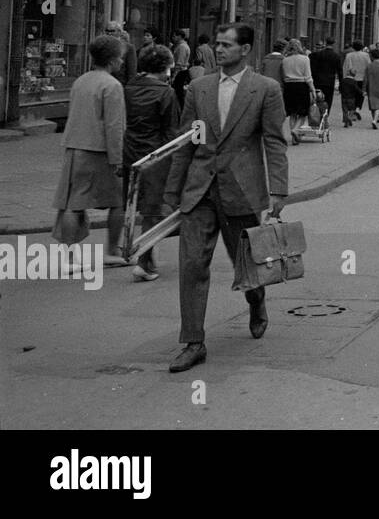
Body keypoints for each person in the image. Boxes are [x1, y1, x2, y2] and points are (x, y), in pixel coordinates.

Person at [162, 23, 289, 373]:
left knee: (246, 266)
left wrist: (278, 189)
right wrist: (173, 192)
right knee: (191, 265)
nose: (219, 50)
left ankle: (256, 300)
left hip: (242, 191)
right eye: (217, 44)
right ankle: (193, 342)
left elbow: (275, 141)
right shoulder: (199, 89)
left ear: (245, 49)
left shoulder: (265, 89)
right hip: (200, 190)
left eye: (227, 45)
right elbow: (185, 142)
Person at [51, 35, 130, 268]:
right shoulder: (112, 85)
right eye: (121, 58)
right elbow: (114, 126)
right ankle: (112, 251)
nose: (123, 63)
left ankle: (68, 257)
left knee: (72, 203)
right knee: (117, 202)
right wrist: (117, 158)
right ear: (113, 60)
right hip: (100, 150)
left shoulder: (81, 80)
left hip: (75, 146)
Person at [122, 43, 182, 281]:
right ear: (165, 68)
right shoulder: (165, 93)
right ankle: (145, 262)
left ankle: (143, 257)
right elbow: (171, 131)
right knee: (152, 210)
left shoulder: (128, 88)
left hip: (130, 153)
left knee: (135, 207)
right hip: (155, 156)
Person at [281, 39, 315, 144]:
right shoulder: (305, 59)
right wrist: (312, 89)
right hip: (301, 86)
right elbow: (308, 76)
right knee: (303, 113)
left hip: (288, 87)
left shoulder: (285, 60)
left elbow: (283, 75)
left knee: (292, 113)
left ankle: (294, 136)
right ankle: (296, 130)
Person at [309, 37, 344, 123]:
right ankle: (325, 115)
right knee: (328, 100)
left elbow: (313, 68)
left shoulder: (318, 55)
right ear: (333, 44)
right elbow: (340, 71)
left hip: (318, 81)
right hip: (329, 81)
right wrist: (341, 84)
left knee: (318, 99)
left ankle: (317, 115)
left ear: (325, 43)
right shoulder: (336, 56)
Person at [342, 40, 369, 126]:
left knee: (351, 96)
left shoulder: (349, 55)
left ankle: (351, 112)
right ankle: (357, 109)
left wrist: (344, 77)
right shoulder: (366, 55)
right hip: (362, 77)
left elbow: (346, 66)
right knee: (360, 95)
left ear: (353, 47)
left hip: (351, 78)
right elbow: (369, 66)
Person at [105, 21, 137, 87]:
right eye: (107, 31)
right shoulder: (102, 46)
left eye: (112, 31)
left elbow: (131, 72)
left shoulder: (128, 47)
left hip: (120, 85)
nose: (109, 33)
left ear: (119, 32)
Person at [364, 48, 379, 128]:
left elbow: (365, 79)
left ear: (372, 56)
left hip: (371, 88)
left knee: (372, 106)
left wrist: (364, 89)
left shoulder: (369, 66)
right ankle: (375, 120)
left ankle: (374, 119)